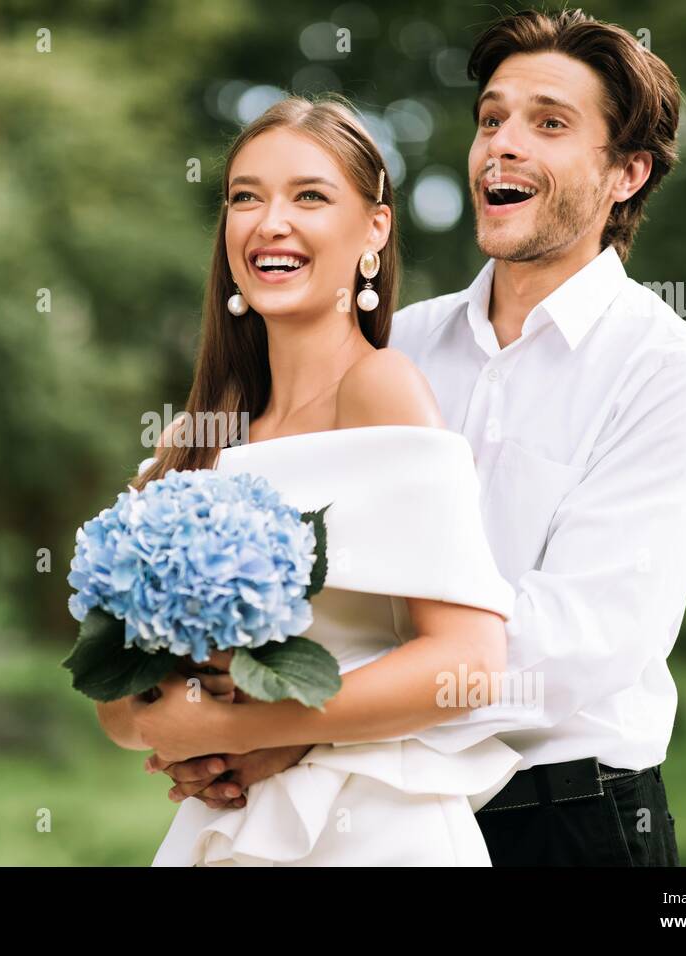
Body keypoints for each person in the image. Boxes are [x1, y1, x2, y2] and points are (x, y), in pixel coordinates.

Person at [146, 9, 686, 866]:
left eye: (548, 123)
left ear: (627, 173)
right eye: (491, 118)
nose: (501, 144)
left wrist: (301, 722)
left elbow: (579, 643)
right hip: (369, 811)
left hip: (564, 819)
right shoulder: (399, 346)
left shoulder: (672, 377)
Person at [96, 94, 526, 866]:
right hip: (226, 830)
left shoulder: (382, 389)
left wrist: (249, 729)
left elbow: (469, 662)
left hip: (373, 825)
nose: (269, 222)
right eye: (245, 197)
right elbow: (114, 699)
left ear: (374, 231)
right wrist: (176, 731)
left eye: (310, 197)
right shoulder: (192, 442)